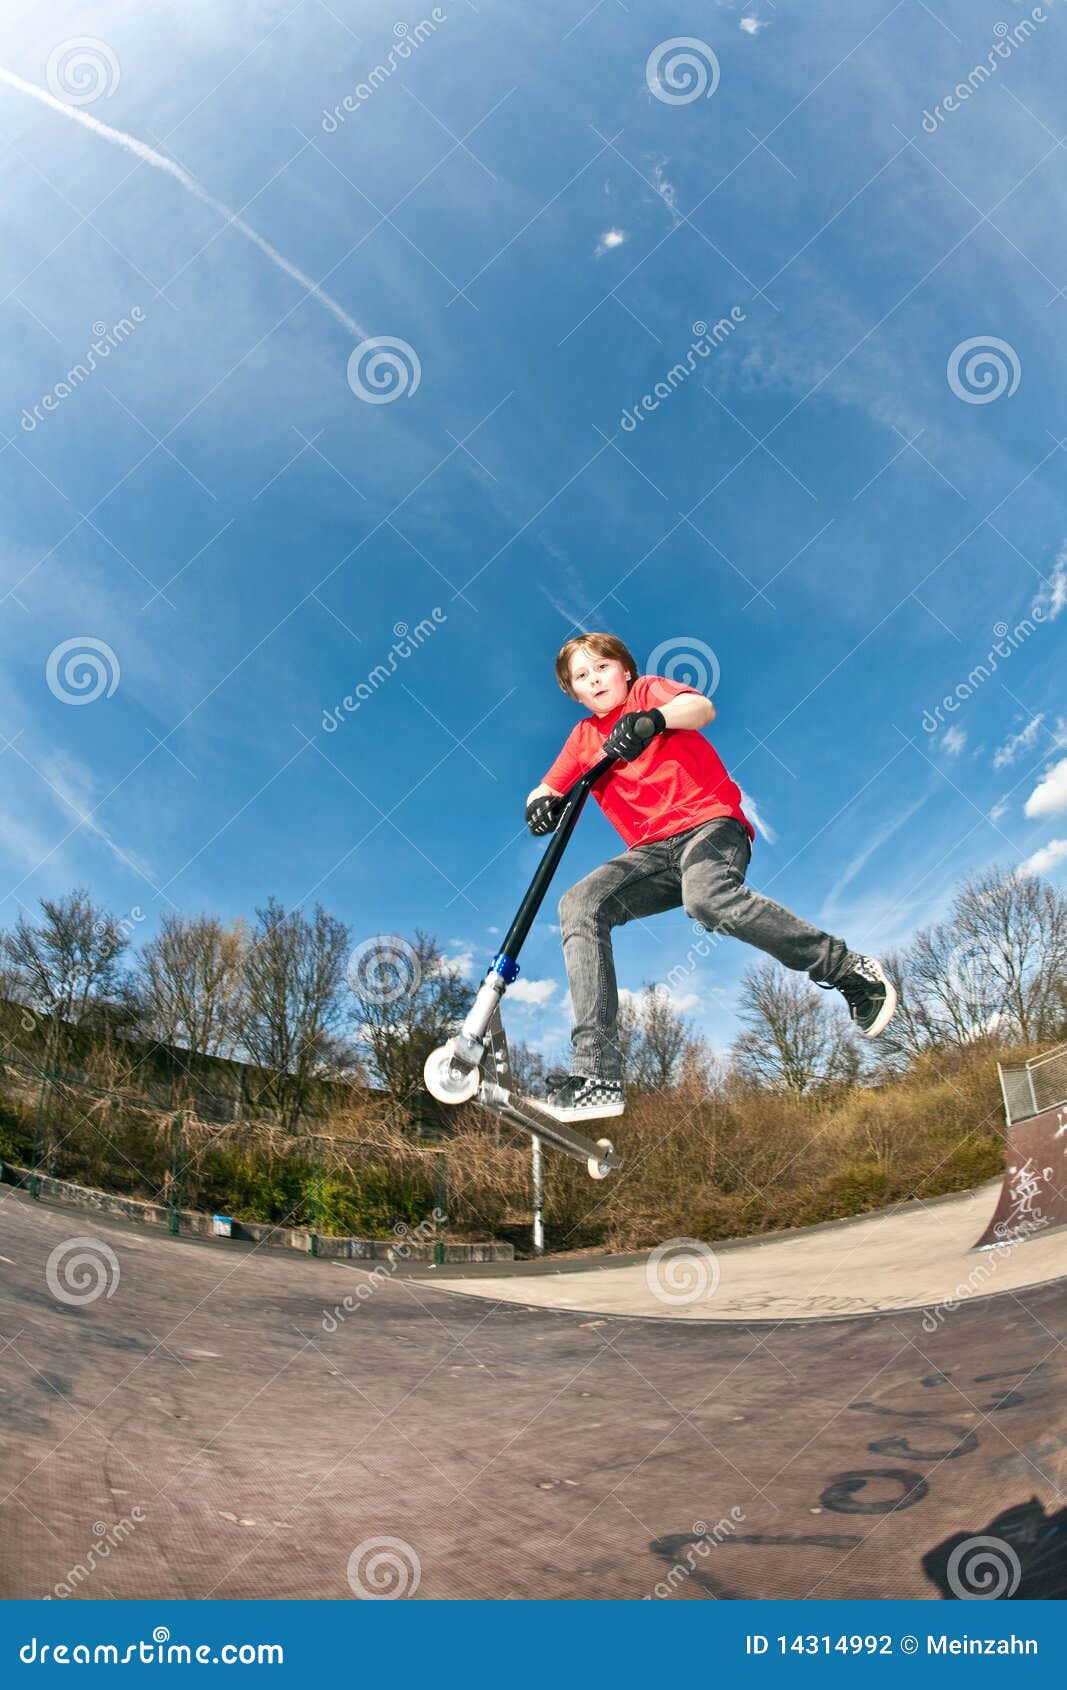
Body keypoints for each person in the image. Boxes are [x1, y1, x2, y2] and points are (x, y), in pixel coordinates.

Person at [523, 632, 897, 1123]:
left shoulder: (647, 692)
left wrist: (652, 720)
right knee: (579, 904)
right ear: (573, 692)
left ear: (625, 670)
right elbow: (546, 785)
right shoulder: (583, 740)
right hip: (651, 855)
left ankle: (846, 968)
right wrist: (539, 805)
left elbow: (699, 708)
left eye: (601, 667)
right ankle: (598, 1074)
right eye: (581, 677)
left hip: (710, 827)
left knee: (708, 900)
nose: (594, 679)